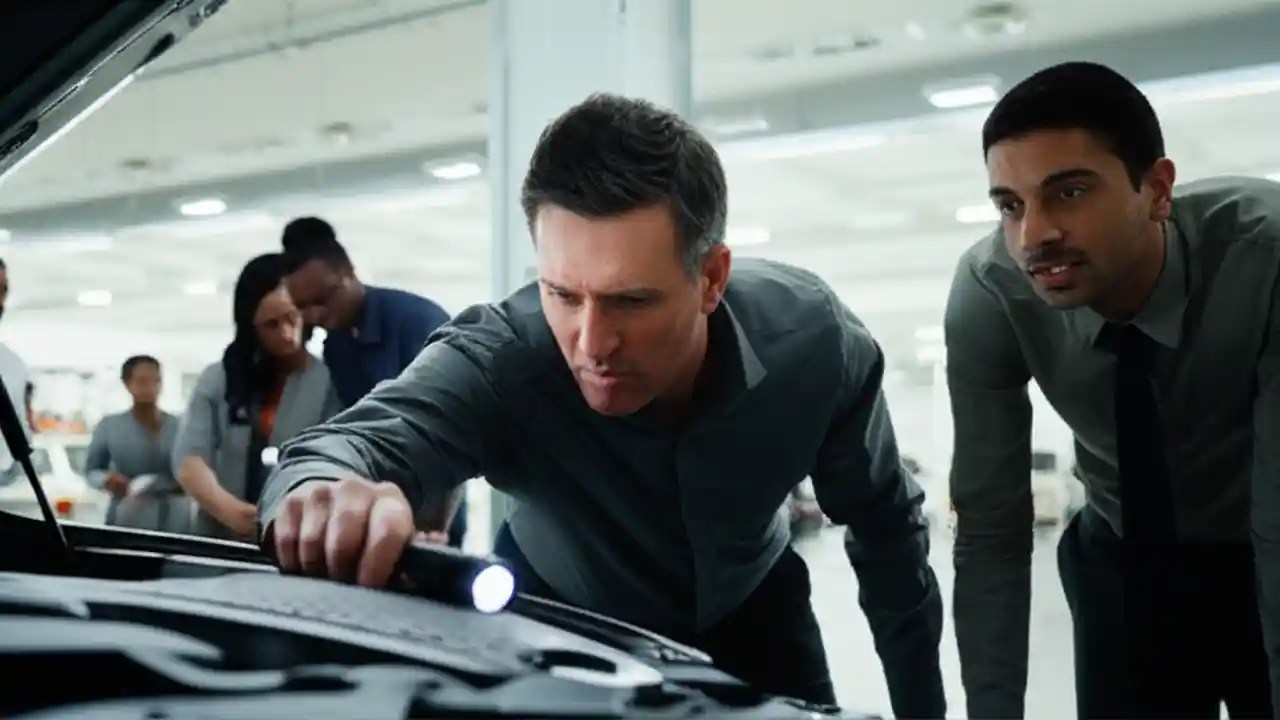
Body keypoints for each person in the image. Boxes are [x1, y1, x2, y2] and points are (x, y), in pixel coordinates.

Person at [258, 93, 945, 716]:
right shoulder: (502, 357)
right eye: (562, 293)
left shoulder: (816, 343)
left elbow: (887, 529)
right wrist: (323, 494)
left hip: (755, 609)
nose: (591, 343)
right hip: (560, 615)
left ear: (710, 279)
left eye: (630, 300)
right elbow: (337, 449)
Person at [945, 61, 1277, 720]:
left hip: (1256, 538)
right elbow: (990, 529)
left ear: (1156, 190)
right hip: (1120, 553)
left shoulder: (1264, 255)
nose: (1033, 236)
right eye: (1010, 204)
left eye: (1068, 192)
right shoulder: (992, 290)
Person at [279, 218, 465, 548]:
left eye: (322, 299)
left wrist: (435, 525)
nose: (314, 316)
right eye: (302, 307)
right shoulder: (335, 346)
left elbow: (453, 431)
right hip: (373, 507)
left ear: (349, 271)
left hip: (432, 506)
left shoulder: (421, 324)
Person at [173, 253, 343, 541]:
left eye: (292, 318)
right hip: (218, 537)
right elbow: (189, 459)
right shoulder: (220, 378)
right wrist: (233, 513)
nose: (287, 334)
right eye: (271, 325)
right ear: (251, 328)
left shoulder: (328, 382)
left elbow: (335, 461)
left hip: (296, 537)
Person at [82, 355, 180, 526]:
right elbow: (91, 471)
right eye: (142, 381)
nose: (150, 388)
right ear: (127, 383)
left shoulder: (179, 426)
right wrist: (107, 480)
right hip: (127, 514)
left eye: (156, 381)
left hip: (172, 515)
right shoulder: (110, 426)